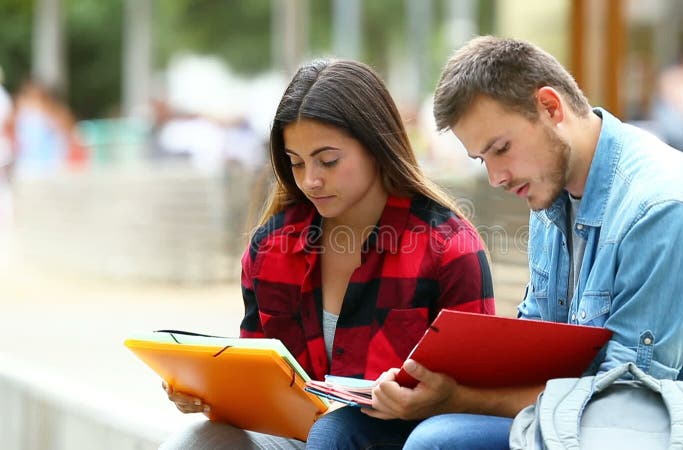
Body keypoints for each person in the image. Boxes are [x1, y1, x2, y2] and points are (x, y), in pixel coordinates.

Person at [364, 36, 683, 450]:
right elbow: (539, 349)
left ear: (550, 107)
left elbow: (622, 405)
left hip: (681, 436)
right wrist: (430, 382)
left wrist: (458, 398)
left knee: (439, 440)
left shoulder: (664, 207)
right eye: (482, 159)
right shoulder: (551, 199)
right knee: (355, 432)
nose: (496, 177)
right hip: (595, 424)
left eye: (501, 149)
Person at [159, 58, 495, 449]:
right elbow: (255, 375)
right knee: (196, 440)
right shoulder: (271, 246)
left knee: (334, 435)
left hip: (397, 439)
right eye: (296, 163)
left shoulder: (447, 247)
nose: (310, 180)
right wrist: (209, 392)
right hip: (297, 434)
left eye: (328, 161)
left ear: (375, 146)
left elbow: (473, 402)